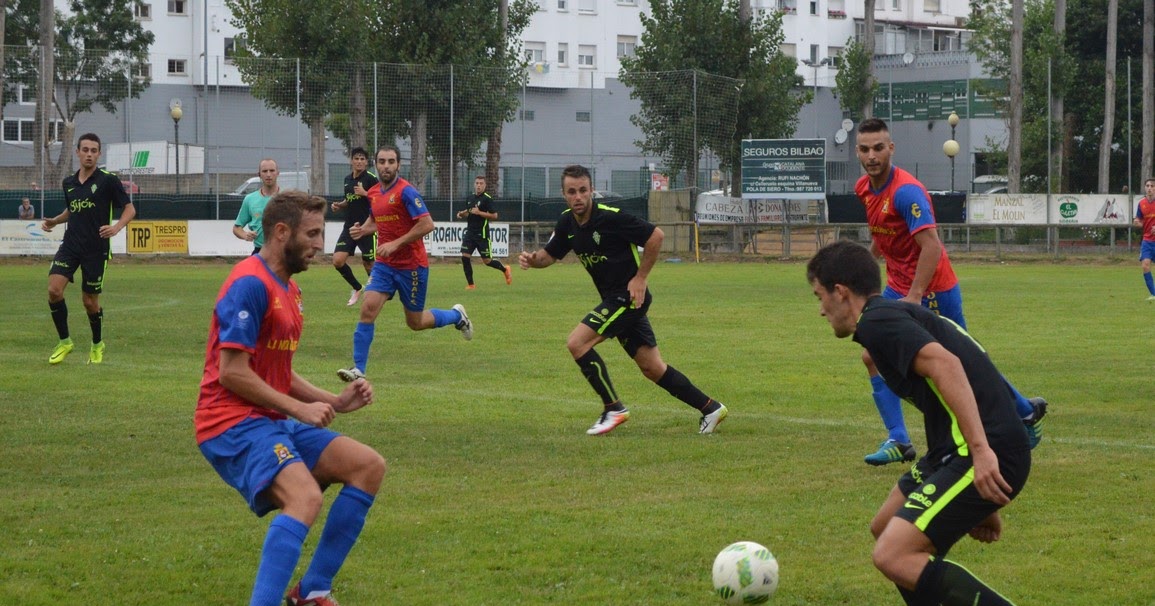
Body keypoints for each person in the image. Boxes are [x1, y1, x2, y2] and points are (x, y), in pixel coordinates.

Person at [807, 240, 1030, 606]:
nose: (820, 310)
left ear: (841, 292)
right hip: (954, 449)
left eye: (820, 296)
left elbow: (948, 365)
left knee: (893, 554)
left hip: (985, 449)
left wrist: (981, 454)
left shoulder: (879, 321)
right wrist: (980, 504)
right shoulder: (886, 319)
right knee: (884, 528)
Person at [196, 191, 385, 606]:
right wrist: (300, 410)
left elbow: (278, 373)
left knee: (368, 467)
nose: (320, 244)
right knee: (304, 497)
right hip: (228, 423)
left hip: (269, 420)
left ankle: (313, 589)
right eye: (313, 234)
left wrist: (334, 401)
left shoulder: (289, 289)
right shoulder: (250, 283)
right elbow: (232, 373)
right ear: (281, 232)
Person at [854, 117, 1045, 465]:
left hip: (932, 291)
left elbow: (931, 247)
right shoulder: (864, 189)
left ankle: (1022, 411)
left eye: (879, 148)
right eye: (865, 149)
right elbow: (882, 236)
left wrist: (914, 298)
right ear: (858, 152)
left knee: (965, 363)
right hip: (900, 288)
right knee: (872, 354)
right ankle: (898, 439)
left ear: (891, 148)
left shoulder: (906, 191)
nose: (872, 156)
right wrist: (866, 272)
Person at [518, 164, 728, 435]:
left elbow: (655, 236)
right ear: (564, 194)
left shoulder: (610, 218)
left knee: (577, 343)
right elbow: (549, 256)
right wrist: (532, 260)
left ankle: (613, 408)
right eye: (572, 192)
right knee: (652, 368)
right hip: (618, 300)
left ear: (591, 190)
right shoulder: (567, 223)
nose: (578, 196)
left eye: (583, 190)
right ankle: (710, 407)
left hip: (627, 298)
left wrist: (640, 278)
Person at [337, 145, 472, 382]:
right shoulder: (375, 192)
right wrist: (363, 229)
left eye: (391, 161)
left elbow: (427, 224)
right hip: (385, 265)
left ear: (398, 165)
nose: (386, 166)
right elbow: (376, 220)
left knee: (416, 322)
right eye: (381, 161)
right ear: (376, 165)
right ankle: (358, 369)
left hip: (412, 266)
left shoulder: (406, 192)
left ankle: (456, 316)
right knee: (367, 309)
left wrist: (395, 244)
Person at [41, 133, 135, 365]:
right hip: (71, 245)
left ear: (99, 154)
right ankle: (65, 342)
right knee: (54, 290)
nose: (89, 154)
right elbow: (73, 210)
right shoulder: (69, 183)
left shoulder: (108, 180)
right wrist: (54, 220)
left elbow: (130, 209)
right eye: (85, 150)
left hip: (96, 249)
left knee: (89, 302)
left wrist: (116, 227)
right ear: (78, 153)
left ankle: (96, 344)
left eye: (94, 150)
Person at [330, 147, 379, 306]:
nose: (359, 161)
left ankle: (378, 293)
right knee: (338, 261)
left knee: (368, 263)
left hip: (367, 227)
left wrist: (366, 193)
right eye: (356, 158)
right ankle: (357, 288)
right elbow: (349, 199)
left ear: (366, 162)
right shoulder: (347, 179)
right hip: (350, 228)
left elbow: (381, 198)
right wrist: (340, 205)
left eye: (362, 159)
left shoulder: (371, 179)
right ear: (351, 161)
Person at [456, 175, 511, 289]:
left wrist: (480, 212)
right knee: (465, 256)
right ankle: (471, 285)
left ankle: (505, 269)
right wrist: (462, 213)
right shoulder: (470, 198)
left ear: (485, 185)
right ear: (474, 184)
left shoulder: (487, 199)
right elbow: (470, 211)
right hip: (470, 233)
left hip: (482, 235)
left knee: (487, 261)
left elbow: (495, 215)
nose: (479, 185)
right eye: (477, 183)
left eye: (481, 183)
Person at [233, 159, 280, 255]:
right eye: (264, 171)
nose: (268, 174)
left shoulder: (287, 198)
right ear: (259, 175)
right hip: (259, 252)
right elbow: (236, 228)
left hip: (282, 253)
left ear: (277, 173)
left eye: (272, 170)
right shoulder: (250, 199)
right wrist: (245, 234)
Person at [1132, 178, 1155, 301]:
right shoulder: (1141, 204)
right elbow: (1139, 221)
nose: (1150, 188)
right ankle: (1154, 294)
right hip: (1147, 241)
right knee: (1145, 266)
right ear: (1145, 188)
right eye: (1147, 185)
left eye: (1152, 185)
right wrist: (1137, 222)